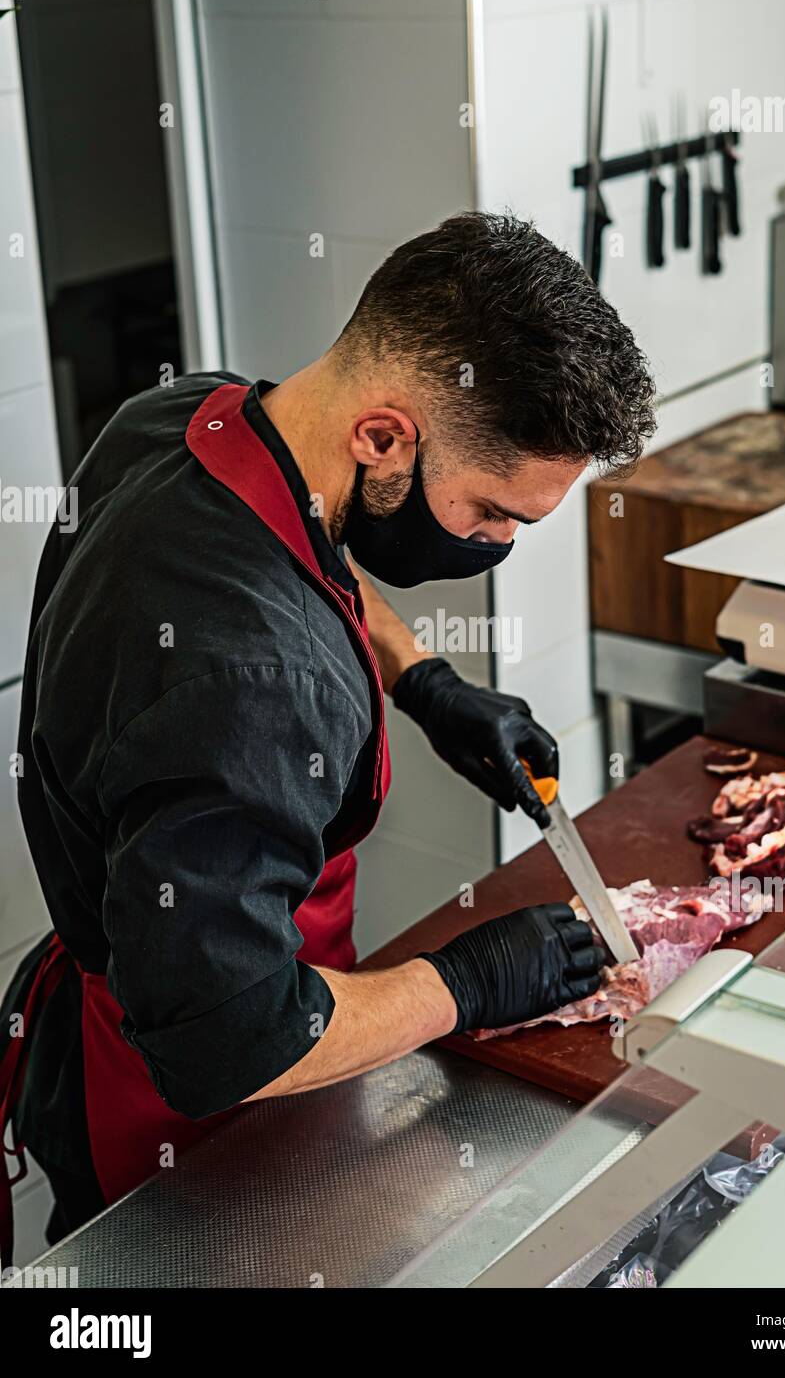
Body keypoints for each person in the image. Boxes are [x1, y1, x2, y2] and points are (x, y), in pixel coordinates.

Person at [0, 213, 655, 1257]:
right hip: (194, 1118)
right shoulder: (254, 680)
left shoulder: (186, 415)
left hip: (123, 1006)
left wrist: (422, 678)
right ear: (385, 436)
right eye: (493, 512)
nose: (495, 544)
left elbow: (310, 545)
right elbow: (236, 1040)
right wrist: (463, 984)